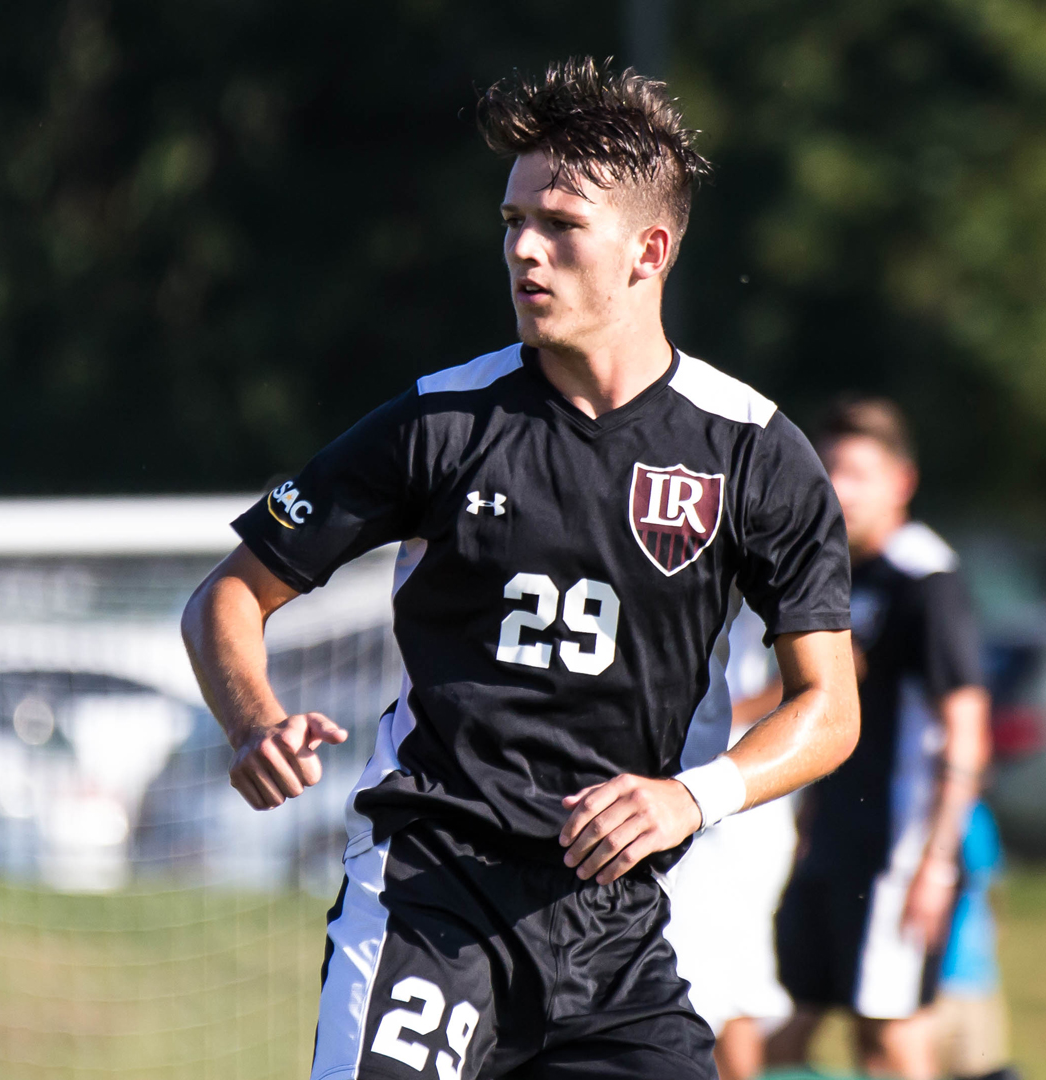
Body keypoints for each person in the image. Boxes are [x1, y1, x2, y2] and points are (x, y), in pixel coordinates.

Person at [181, 58, 860, 1080]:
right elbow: (230, 594)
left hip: (616, 929)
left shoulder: (753, 452)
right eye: (510, 225)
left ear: (649, 250)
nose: (524, 253)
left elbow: (831, 708)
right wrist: (251, 720)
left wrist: (695, 797)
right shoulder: (442, 422)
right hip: (430, 899)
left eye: (558, 225)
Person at [768, 398, 990, 1080]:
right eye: (830, 467)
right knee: (784, 1021)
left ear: (902, 482)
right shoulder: (836, 572)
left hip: (896, 856)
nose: (839, 487)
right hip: (832, 843)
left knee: (890, 1040)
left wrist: (936, 863)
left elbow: (968, 728)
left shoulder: (925, 581)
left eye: (859, 471)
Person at [662, 607, 796, 1080]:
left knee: (722, 981)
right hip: (692, 786)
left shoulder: (758, 540)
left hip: (735, 789)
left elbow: (832, 670)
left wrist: (722, 715)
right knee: (708, 977)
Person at [928, 802, 1020, 1080]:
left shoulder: (973, 815)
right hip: (953, 975)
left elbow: (988, 884)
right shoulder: (970, 814)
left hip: (968, 974)